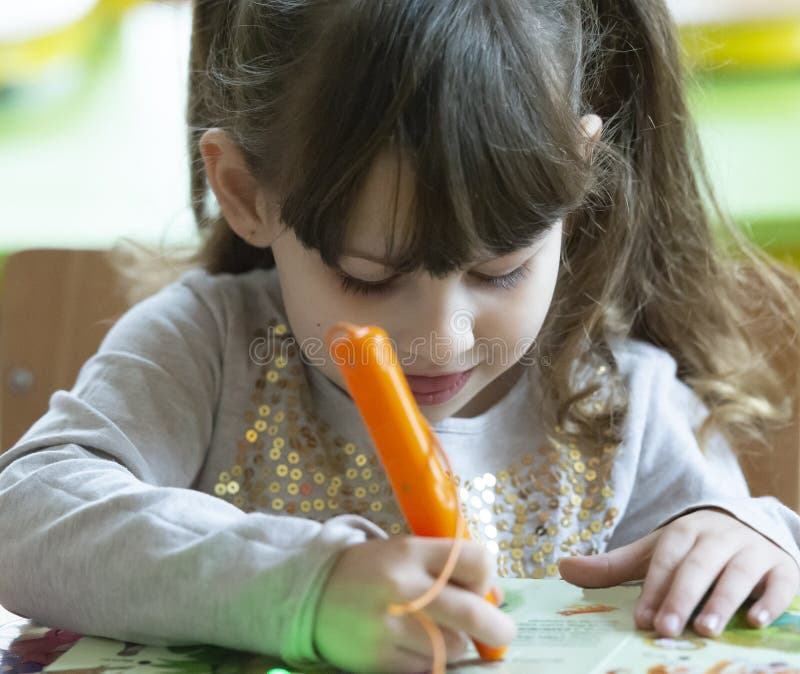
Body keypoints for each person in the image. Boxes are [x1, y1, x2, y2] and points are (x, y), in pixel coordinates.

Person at [1, 1, 799, 672]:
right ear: (247, 194)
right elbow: (21, 517)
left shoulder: (625, 401)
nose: (444, 342)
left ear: (576, 175)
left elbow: (730, 573)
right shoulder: (209, 350)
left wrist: (751, 540)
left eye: (501, 270)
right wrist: (306, 586)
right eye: (370, 277)